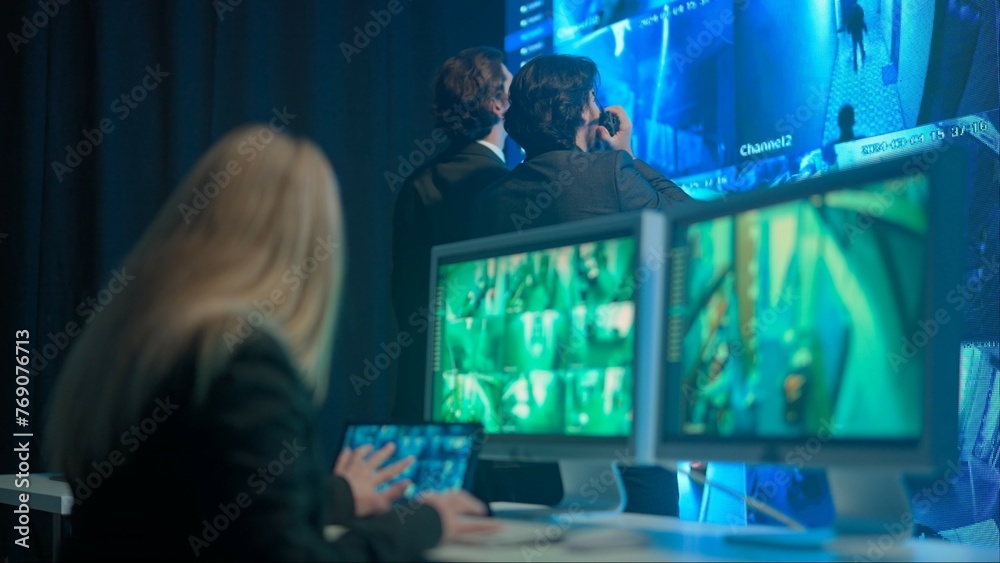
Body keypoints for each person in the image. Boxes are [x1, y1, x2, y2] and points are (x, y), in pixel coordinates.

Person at [43, 126, 497, 560]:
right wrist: (423, 523)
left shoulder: (141, 341)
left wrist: (337, 496)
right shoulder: (240, 362)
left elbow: (201, 501)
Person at [391, 46, 513, 422]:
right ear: (497, 103)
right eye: (512, 88)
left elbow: (406, 297)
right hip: (488, 401)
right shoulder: (503, 188)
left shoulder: (416, 182)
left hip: (421, 392)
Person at [470, 54, 692, 238]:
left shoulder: (491, 200)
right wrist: (628, 156)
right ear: (581, 111)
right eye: (593, 98)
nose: (599, 110)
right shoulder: (611, 172)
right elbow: (690, 217)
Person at [847, 1, 868, 73]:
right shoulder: (860, 9)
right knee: (861, 43)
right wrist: (865, 29)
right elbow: (862, 19)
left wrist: (849, 30)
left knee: (854, 46)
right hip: (859, 30)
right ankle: (862, 54)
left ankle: (855, 63)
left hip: (853, 31)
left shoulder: (850, 10)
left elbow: (849, 21)